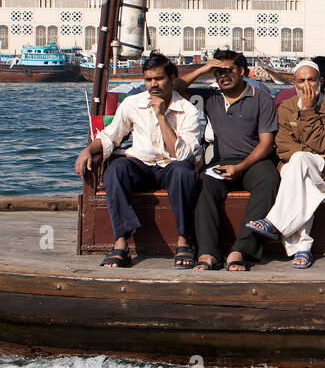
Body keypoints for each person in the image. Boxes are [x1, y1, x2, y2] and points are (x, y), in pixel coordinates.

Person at [73, 53, 203, 268]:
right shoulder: (132, 104)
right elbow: (110, 136)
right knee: (116, 170)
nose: (153, 84)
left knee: (183, 171)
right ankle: (121, 242)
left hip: (171, 166)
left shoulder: (188, 110)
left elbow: (181, 155)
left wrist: (161, 116)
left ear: (172, 79)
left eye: (159, 79)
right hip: (141, 166)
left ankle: (183, 239)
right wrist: (87, 150)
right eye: (148, 79)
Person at [177, 50, 279, 271]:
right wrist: (204, 68)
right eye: (218, 72)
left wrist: (240, 167)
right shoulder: (210, 97)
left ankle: (240, 249)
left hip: (254, 161)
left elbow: (266, 144)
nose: (223, 76)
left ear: (242, 71)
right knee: (203, 182)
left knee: (269, 180)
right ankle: (207, 252)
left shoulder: (260, 97)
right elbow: (174, 88)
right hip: (222, 160)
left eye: (229, 70)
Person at [244, 59, 325, 269]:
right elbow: (283, 146)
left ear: (320, 81)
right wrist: (318, 153)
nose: (306, 85)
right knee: (300, 171)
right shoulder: (287, 108)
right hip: (299, 168)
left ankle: (274, 222)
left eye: (311, 80)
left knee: (299, 161)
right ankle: (302, 248)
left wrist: (309, 112)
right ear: (294, 83)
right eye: (301, 80)